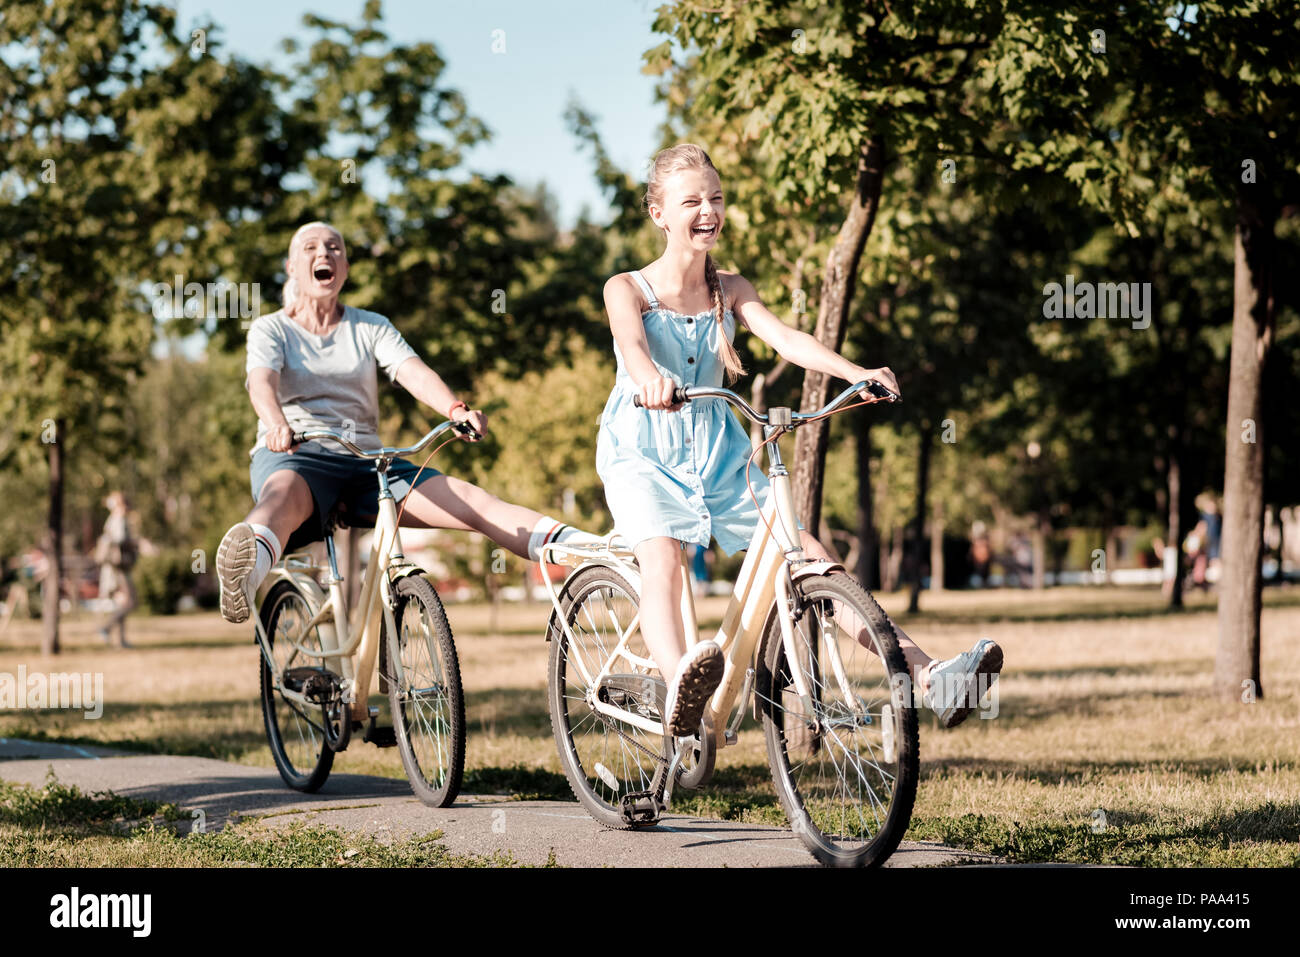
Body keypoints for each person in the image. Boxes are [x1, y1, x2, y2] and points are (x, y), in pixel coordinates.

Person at [596, 144, 1002, 735]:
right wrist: (651, 379)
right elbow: (632, 347)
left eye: (716, 197)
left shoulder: (729, 287)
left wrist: (854, 372)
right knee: (661, 558)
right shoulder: (625, 287)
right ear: (658, 213)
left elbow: (788, 339)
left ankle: (931, 676)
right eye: (691, 201)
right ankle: (681, 689)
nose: (708, 210)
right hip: (643, 453)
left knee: (813, 559)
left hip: (718, 458)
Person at [217, 222, 601, 623]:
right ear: (292, 267)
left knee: (472, 503)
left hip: (368, 460)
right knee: (282, 498)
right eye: (311, 248)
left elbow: (412, 371)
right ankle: (245, 572)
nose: (324, 254)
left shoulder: (370, 325)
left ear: (345, 267)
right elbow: (261, 381)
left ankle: (588, 550)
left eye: (334, 248)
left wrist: (455, 410)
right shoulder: (271, 328)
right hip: (299, 452)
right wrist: (275, 422)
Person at [96, 492, 139, 647]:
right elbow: (119, 539)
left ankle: (121, 641)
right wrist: (134, 542)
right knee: (129, 602)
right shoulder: (118, 519)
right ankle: (105, 629)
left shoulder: (111, 520)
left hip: (115, 568)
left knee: (123, 603)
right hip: (117, 569)